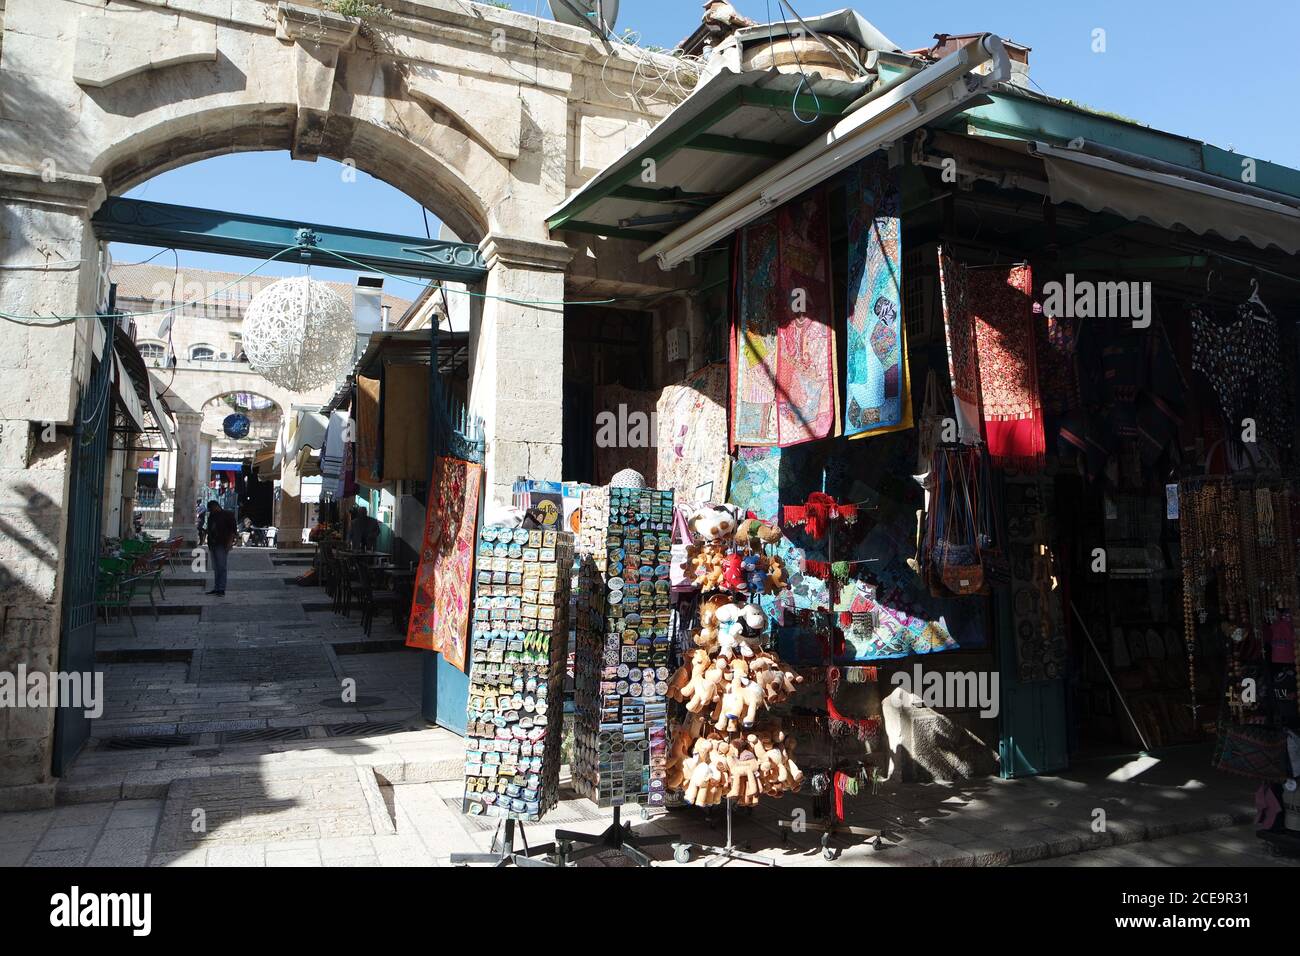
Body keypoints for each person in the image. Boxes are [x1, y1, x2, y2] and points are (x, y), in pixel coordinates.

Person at [205, 500, 237, 596]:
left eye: (211, 509)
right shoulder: (211, 516)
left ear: (216, 506)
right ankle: (217, 587)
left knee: (222, 566)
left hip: (222, 543)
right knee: (216, 567)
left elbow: (232, 530)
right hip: (213, 544)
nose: (211, 511)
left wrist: (229, 543)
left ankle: (221, 588)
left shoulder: (228, 515)